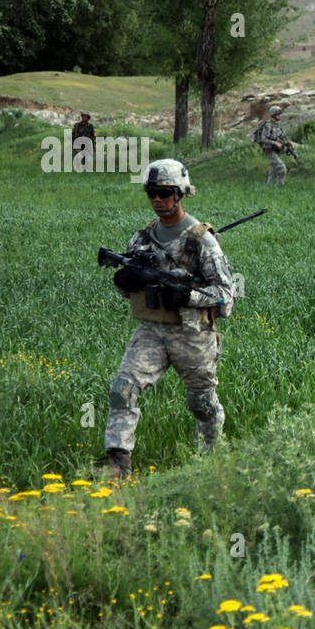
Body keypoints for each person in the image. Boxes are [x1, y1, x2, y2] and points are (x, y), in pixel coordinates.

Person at [100, 159, 236, 480]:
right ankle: (118, 467)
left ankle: (210, 466)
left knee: (202, 403)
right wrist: (126, 283)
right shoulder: (142, 238)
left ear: (180, 194)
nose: (156, 199)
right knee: (123, 389)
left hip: (192, 333)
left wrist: (188, 296)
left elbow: (226, 297)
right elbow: (129, 287)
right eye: (151, 193)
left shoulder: (202, 241)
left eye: (163, 193)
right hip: (152, 329)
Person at [251, 105, 293, 186]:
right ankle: (280, 186)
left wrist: (288, 143)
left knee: (273, 172)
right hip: (270, 150)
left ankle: (270, 188)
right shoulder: (268, 125)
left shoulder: (278, 126)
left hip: (277, 150)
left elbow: (282, 137)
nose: (280, 116)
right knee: (282, 169)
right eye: (278, 114)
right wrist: (275, 143)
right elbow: (263, 139)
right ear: (274, 115)